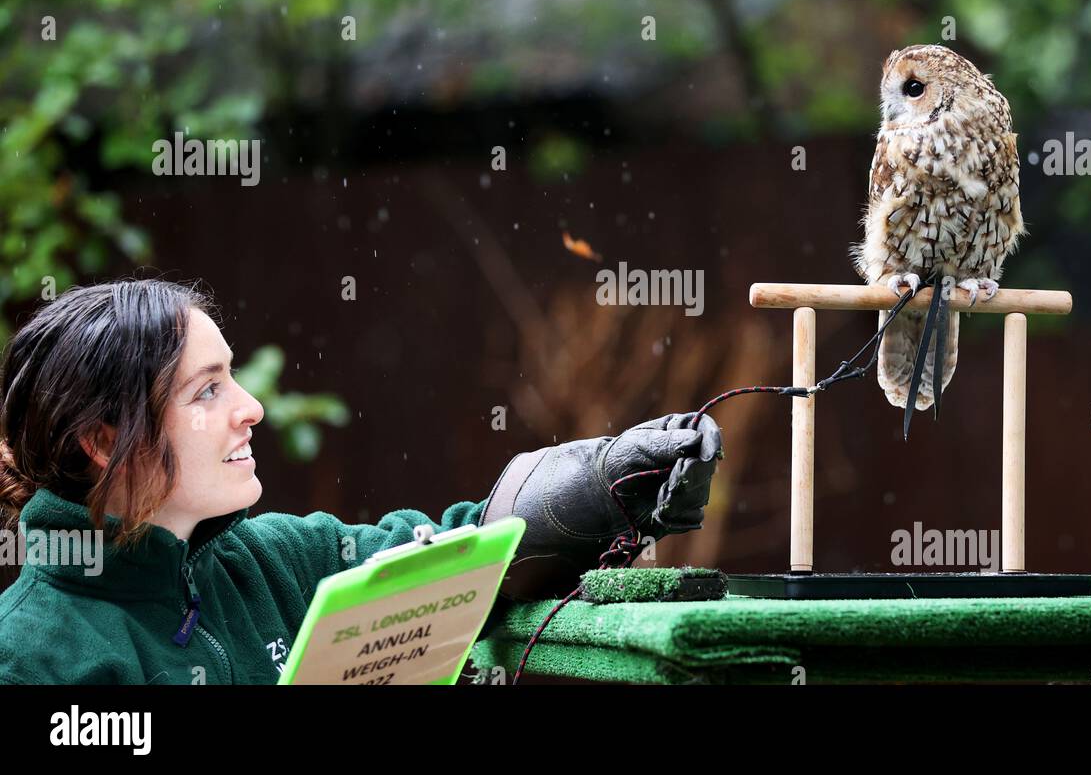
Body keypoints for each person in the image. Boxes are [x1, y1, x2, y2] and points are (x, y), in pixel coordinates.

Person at [0, 279, 721, 684]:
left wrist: (607, 490)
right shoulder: (31, 657)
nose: (251, 409)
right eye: (206, 391)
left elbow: (463, 548)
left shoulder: (282, 563)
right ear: (103, 442)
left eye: (235, 378)